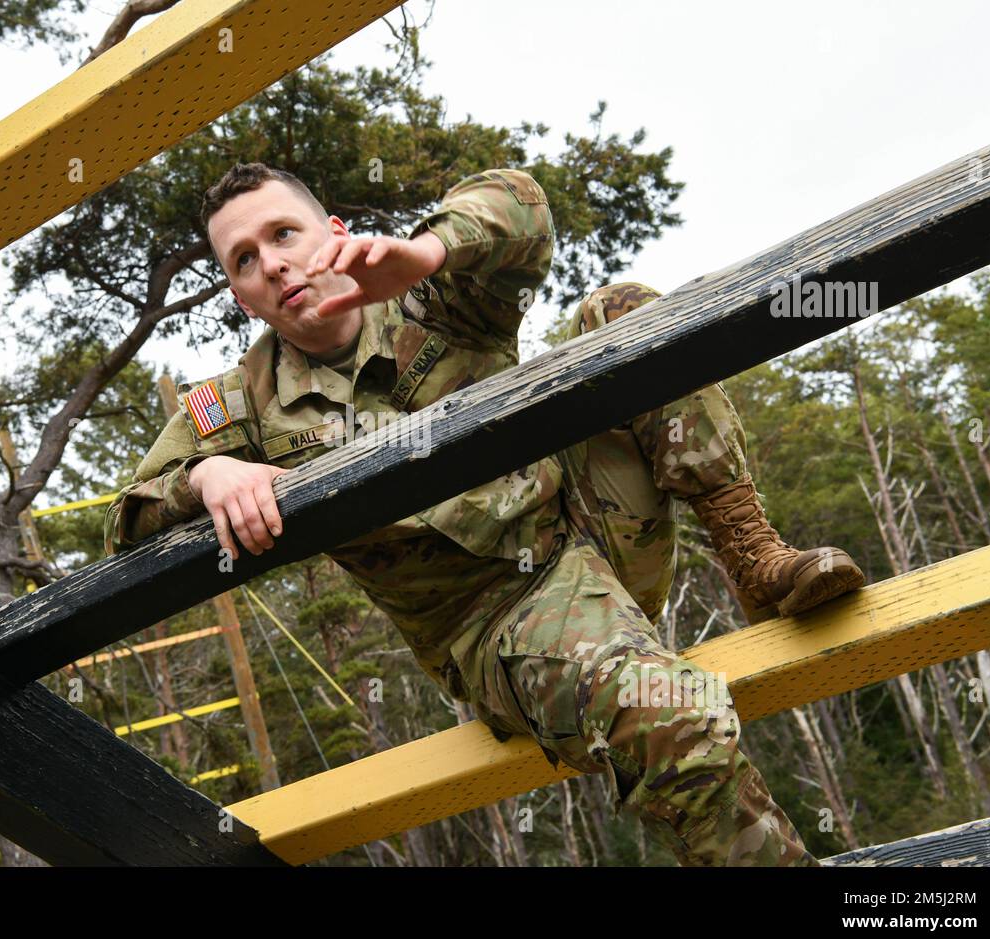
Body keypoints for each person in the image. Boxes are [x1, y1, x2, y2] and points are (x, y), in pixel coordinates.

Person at [104, 162, 866, 865]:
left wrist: (432, 252)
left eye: (283, 234)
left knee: (621, 310)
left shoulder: (435, 302)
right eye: (243, 260)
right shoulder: (242, 404)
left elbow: (525, 205)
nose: (271, 263)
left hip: (593, 518)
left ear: (332, 235)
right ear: (242, 297)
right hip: (504, 620)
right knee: (666, 715)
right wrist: (207, 475)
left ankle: (752, 554)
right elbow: (125, 523)